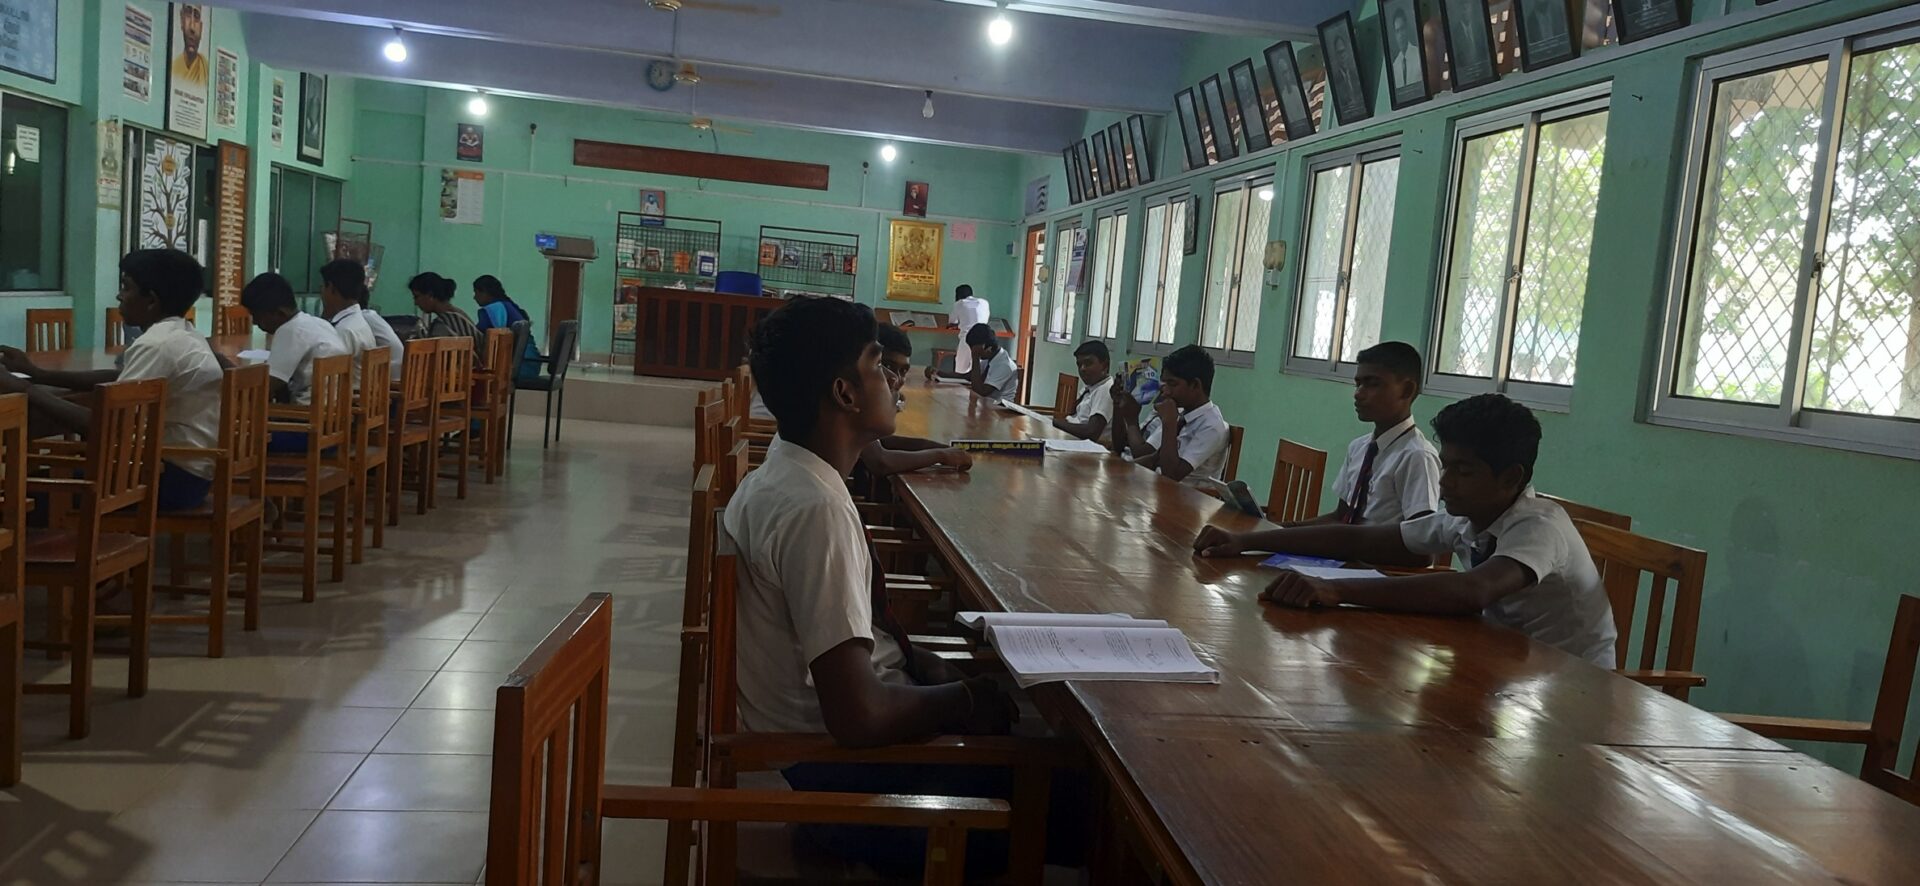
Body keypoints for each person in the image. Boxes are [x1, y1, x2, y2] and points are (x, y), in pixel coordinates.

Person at [726, 297, 1046, 875]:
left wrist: (920, 663)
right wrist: (965, 700)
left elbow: (851, 645)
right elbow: (861, 716)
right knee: (1079, 793)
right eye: (880, 367)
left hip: (815, 748)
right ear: (845, 394)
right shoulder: (814, 510)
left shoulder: (789, 469)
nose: (894, 383)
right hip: (836, 772)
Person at [1191, 394, 1618, 668]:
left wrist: (1336, 590)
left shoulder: (1540, 525)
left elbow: (1471, 591)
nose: (1445, 480)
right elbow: (1358, 536)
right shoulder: (1468, 515)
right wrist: (1246, 541)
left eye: (1462, 470)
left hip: (1573, 684)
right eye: (1446, 464)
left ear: (1510, 478)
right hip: (1507, 662)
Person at [0, 249, 222, 512]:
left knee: (15, 498)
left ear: (151, 300)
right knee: (32, 484)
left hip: (165, 479)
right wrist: (40, 374)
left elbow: (105, 427)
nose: (119, 296)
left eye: (126, 288)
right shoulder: (183, 334)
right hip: (187, 476)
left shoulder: (158, 345)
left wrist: (23, 388)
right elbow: (120, 379)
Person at [1292, 342, 1439, 527]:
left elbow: (1421, 546)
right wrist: (1279, 531)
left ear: (1407, 390)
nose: (1358, 394)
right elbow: (1341, 518)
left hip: (1376, 556)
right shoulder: (1358, 448)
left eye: (1372, 384)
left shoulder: (1416, 456)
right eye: (1358, 384)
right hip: (1343, 553)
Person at [859, 323, 973, 477]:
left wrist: (939, 448)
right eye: (885, 365)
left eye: (903, 371)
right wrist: (940, 455)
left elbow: (882, 441)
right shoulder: (855, 403)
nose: (896, 378)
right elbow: (880, 461)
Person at [1109, 344, 1229, 487]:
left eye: (1172, 384)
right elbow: (1154, 460)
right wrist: (1118, 471)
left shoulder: (1211, 426)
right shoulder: (1184, 415)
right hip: (1158, 489)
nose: (1165, 391)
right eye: (1164, 383)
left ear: (1195, 385)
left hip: (1189, 502)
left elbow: (1171, 475)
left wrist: (1168, 422)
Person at [319, 259, 378, 391]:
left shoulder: (344, 330)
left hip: (344, 403)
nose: (321, 293)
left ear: (331, 288)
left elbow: (328, 378)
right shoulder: (357, 321)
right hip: (357, 397)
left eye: (323, 287)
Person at [471, 275, 542, 380]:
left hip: (518, 367)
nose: (474, 297)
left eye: (476, 292)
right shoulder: (508, 305)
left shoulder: (492, 309)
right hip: (530, 365)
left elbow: (479, 335)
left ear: (485, 292)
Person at [925, 323, 1019, 401]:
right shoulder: (990, 358)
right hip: (986, 406)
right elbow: (968, 376)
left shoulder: (1004, 365)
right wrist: (939, 372)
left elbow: (980, 391)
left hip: (1000, 412)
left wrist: (975, 357)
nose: (972, 352)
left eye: (974, 349)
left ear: (987, 348)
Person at [1052, 340, 1113, 444]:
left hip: (1086, 447)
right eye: (1079, 365)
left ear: (1104, 365)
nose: (1082, 369)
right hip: (1071, 438)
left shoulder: (1106, 389)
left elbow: (1091, 432)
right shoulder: (1091, 386)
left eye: (1088, 363)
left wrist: (1055, 423)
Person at [406, 272, 483, 353]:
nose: (415, 303)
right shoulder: (458, 314)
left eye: (416, 297)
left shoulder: (442, 324)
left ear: (430, 295)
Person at [945, 284, 990, 374]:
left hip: (967, 338)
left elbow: (952, 321)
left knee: (961, 369)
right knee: (979, 370)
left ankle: (959, 387)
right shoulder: (984, 302)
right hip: (984, 339)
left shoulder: (959, 303)